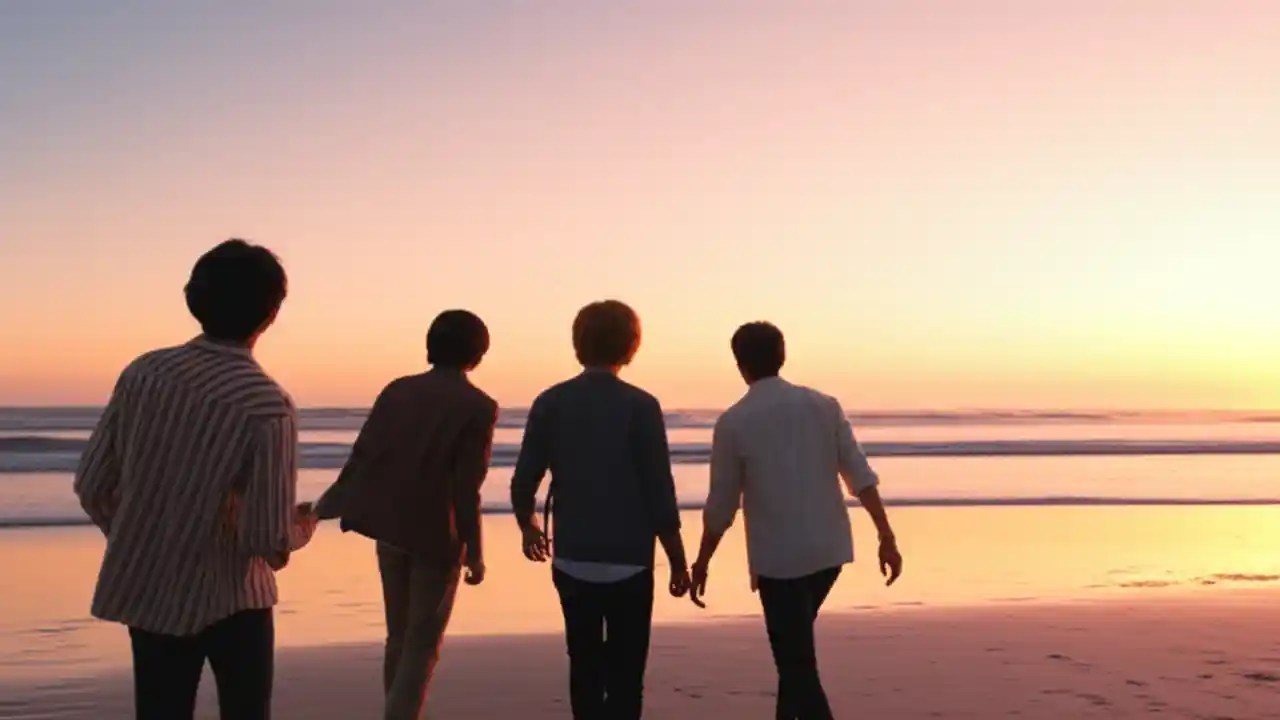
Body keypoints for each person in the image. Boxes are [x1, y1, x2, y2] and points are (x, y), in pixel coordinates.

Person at [73, 239, 317, 720]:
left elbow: (92, 483)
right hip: (233, 599)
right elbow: (266, 538)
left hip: (148, 587)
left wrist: (140, 535)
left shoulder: (144, 373)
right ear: (271, 313)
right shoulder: (266, 405)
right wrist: (304, 526)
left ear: (194, 299)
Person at [689, 321, 904, 720]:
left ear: (740, 365)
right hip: (828, 553)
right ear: (782, 356)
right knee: (794, 657)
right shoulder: (824, 405)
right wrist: (885, 535)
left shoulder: (735, 422)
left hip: (780, 563)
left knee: (797, 666)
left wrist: (702, 561)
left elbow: (722, 504)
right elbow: (859, 475)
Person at [511, 300, 692, 720]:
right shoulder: (641, 406)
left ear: (577, 344)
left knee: (585, 667)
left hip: (573, 556)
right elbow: (658, 490)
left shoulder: (551, 402)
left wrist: (529, 525)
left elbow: (524, 480)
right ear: (632, 347)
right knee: (627, 674)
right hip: (631, 560)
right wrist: (678, 560)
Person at [314, 310, 497, 720]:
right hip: (437, 536)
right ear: (477, 353)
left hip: (390, 527)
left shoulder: (398, 390)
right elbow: (466, 487)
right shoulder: (478, 406)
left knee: (398, 638)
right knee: (422, 646)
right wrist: (475, 550)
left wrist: (326, 505)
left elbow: (363, 456)